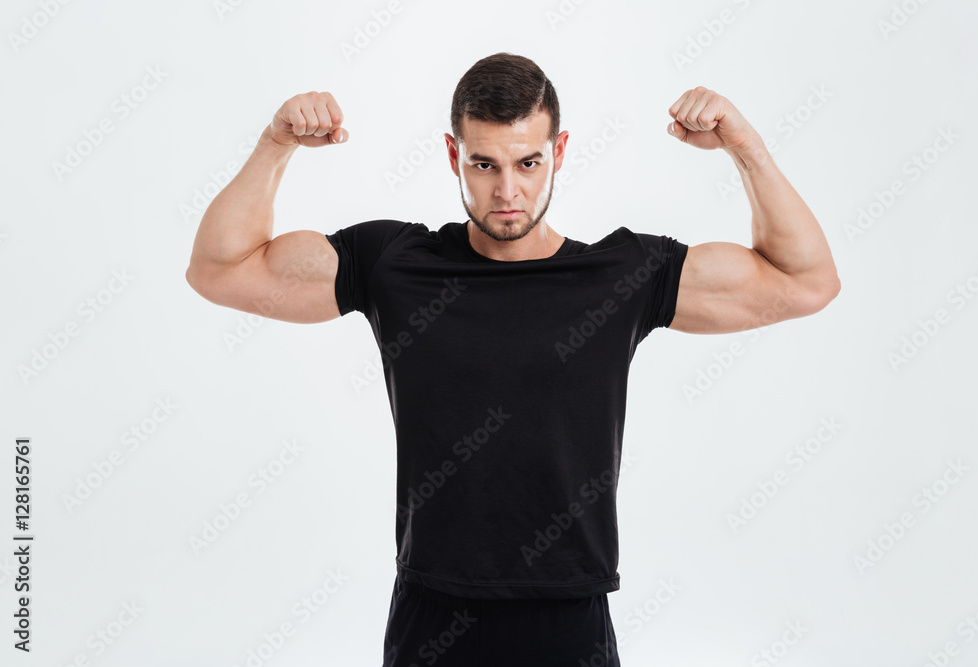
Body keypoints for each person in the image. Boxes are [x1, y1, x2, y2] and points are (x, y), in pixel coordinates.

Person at [185, 52, 840, 667]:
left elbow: (806, 281)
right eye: (484, 164)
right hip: (431, 612)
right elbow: (220, 270)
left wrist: (743, 144)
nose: (507, 191)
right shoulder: (395, 265)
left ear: (558, 152)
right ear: (452, 155)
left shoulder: (620, 274)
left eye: (527, 164)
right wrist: (277, 144)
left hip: (568, 615)